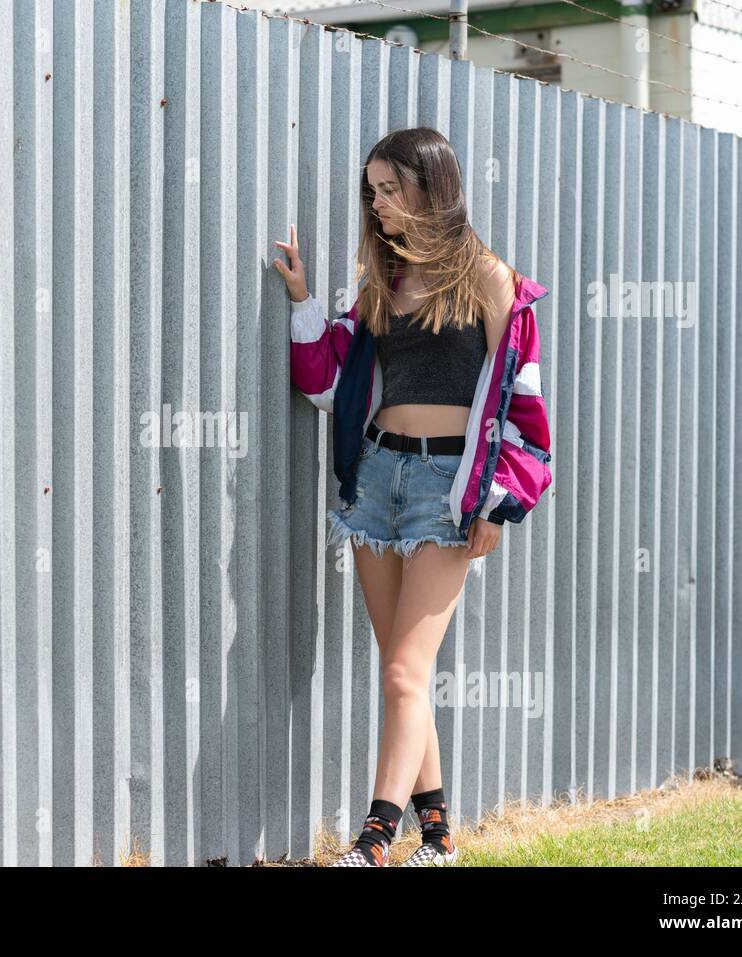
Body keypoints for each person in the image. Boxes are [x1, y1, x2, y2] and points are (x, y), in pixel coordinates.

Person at [273, 126, 552, 866]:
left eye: (391, 188)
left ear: (434, 186)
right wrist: (304, 299)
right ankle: (438, 839)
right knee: (404, 672)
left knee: (404, 672)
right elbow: (327, 385)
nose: (379, 203)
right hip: (374, 482)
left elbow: (526, 407)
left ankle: (371, 842)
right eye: (372, 191)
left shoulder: (491, 279)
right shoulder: (384, 283)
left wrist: (497, 504)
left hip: (445, 488)